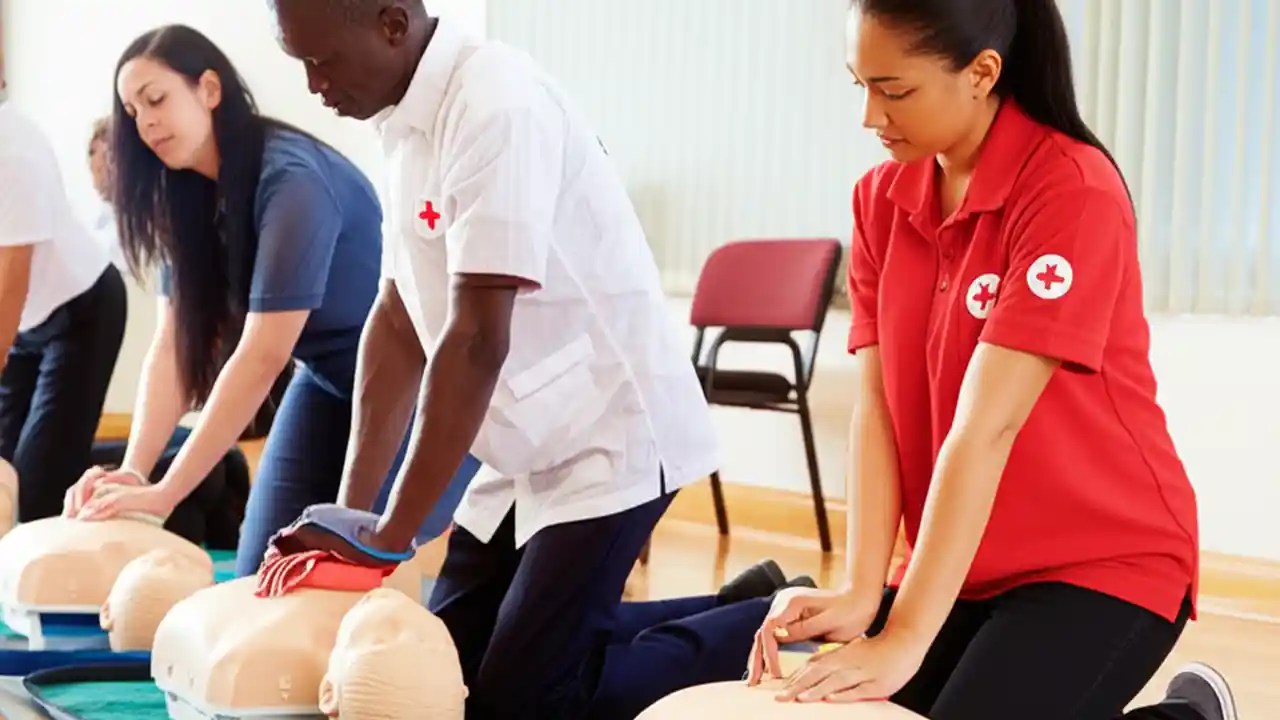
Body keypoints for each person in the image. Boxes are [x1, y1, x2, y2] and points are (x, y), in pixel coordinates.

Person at [267, 2, 813, 718]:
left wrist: (393, 533)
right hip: (525, 443)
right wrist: (354, 514)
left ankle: (775, 619)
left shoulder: (497, 104)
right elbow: (398, 318)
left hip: (610, 434)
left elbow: (475, 339)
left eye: (322, 61)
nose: (312, 86)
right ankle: (737, 604)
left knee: (522, 704)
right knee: (444, 667)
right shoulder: (399, 120)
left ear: (391, 25)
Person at [740, 2, 1237, 719]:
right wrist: (860, 588)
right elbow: (877, 412)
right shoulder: (879, 199)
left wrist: (905, 634)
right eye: (862, 87)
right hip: (956, 564)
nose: (871, 116)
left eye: (895, 90)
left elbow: (986, 428)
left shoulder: (1071, 189)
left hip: (1100, 560)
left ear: (982, 73)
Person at [60, 24, 477, 577]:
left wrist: (167, 493)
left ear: (209, 89)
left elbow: (262, 356)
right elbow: (174, 347)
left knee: (351, 576)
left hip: (413, 386)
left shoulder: (291, 181)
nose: (145, 121)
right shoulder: (183, 198)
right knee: (259, 571)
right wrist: (135, 473)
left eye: (156, 99)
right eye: (132, 113)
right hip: (328, 381)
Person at [0, 16, 129, 522]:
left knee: (34, 491)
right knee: (7, 466)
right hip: (28, 326)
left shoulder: (10, 145)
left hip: (82, 310)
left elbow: (13, 272)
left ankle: (178, 473)